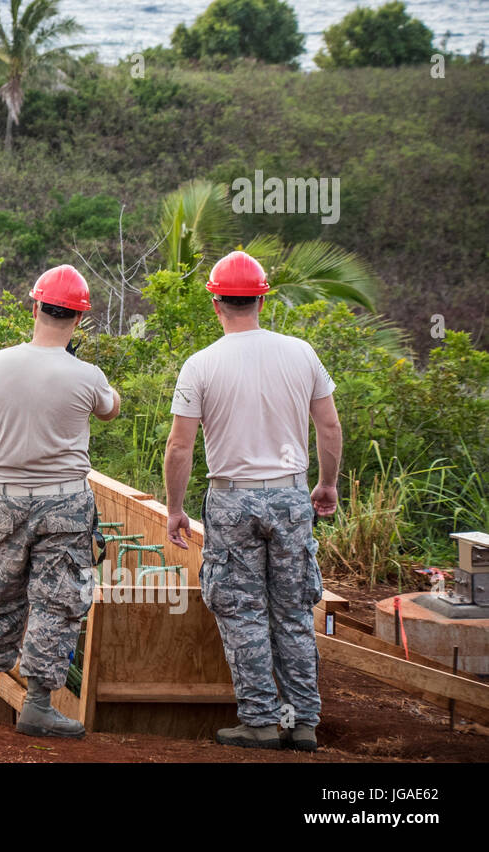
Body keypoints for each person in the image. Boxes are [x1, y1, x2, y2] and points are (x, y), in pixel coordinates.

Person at [163, 251, 342, 752]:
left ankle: (260, 720)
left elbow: (180, 446)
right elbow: (328, 425)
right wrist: (326, 484)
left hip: (231, 501)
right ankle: (304, 722)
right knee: (292, 612)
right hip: (290, 495)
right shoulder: (301, 353)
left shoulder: (201, 364)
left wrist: (176, 509)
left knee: (241, 612)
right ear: (262, 299)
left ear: (216, 302)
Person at [0, 266, 119, 737]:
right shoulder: (87, 375)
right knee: (56, 602)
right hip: (66, 503)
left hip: (8, 498)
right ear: (78, 319)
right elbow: (111, 409)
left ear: (36, 308)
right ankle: (36, 705)